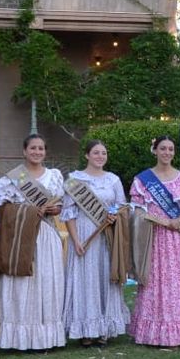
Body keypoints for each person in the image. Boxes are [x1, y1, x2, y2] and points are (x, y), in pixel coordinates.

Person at [129, 135, 180, 347]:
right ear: (154, 150)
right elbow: (137, 210)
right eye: (163, 148)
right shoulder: (143, 180)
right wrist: (151, 219)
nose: (167, 153)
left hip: (176, 237)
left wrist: (177, 220)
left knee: (177, 283)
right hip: (153, 237)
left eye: (170, 149)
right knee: (154, 282)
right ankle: (153, 332)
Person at [0, 134, 66, 351]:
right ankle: (19, 338)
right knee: (21, 284)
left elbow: (61, 204)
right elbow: (2, 210)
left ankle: (46, 337)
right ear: (24, 151)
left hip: (47, 234)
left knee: (47, 281)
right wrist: (32, 211)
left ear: (45, 152)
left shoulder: (55, 176)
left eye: (41, 148)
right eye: (33, 148)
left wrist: (56, 209)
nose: (37, 152)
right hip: (21, 237)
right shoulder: (12, 179)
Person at [63, 139, 130, 345]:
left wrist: (114, 215)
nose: (100, 156)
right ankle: (86, 330)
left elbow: (121, 206)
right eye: (96, 152)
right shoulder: (74, 180)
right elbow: (69, 212)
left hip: (106, 235)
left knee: (104, 277)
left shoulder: (113, 180)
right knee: (85, 279)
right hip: (83, 233)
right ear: (87, 155)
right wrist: (76, 240)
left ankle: (104, 329)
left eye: (103, 153)